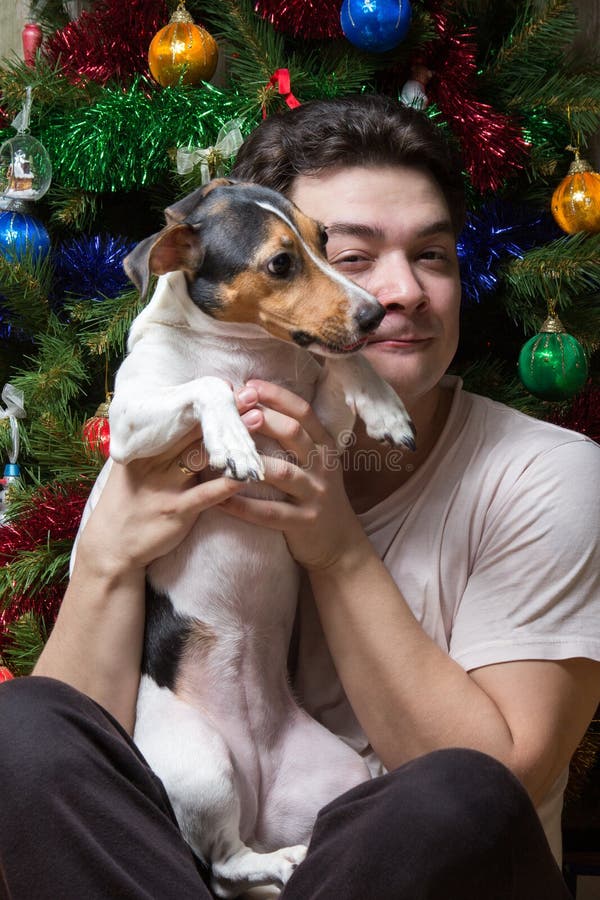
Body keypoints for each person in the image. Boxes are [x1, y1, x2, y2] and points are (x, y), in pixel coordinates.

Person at [0, 94, 598, 900]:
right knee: (22, 727)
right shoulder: (186, 441)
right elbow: (71, 777)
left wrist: (338, 550)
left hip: (403, 871)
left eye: (433, 254)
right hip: (195, 853)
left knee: (459, 790)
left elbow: (503, 790)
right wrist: (108, 559)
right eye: (349, 256)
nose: (397, 292)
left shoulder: (545, 475)